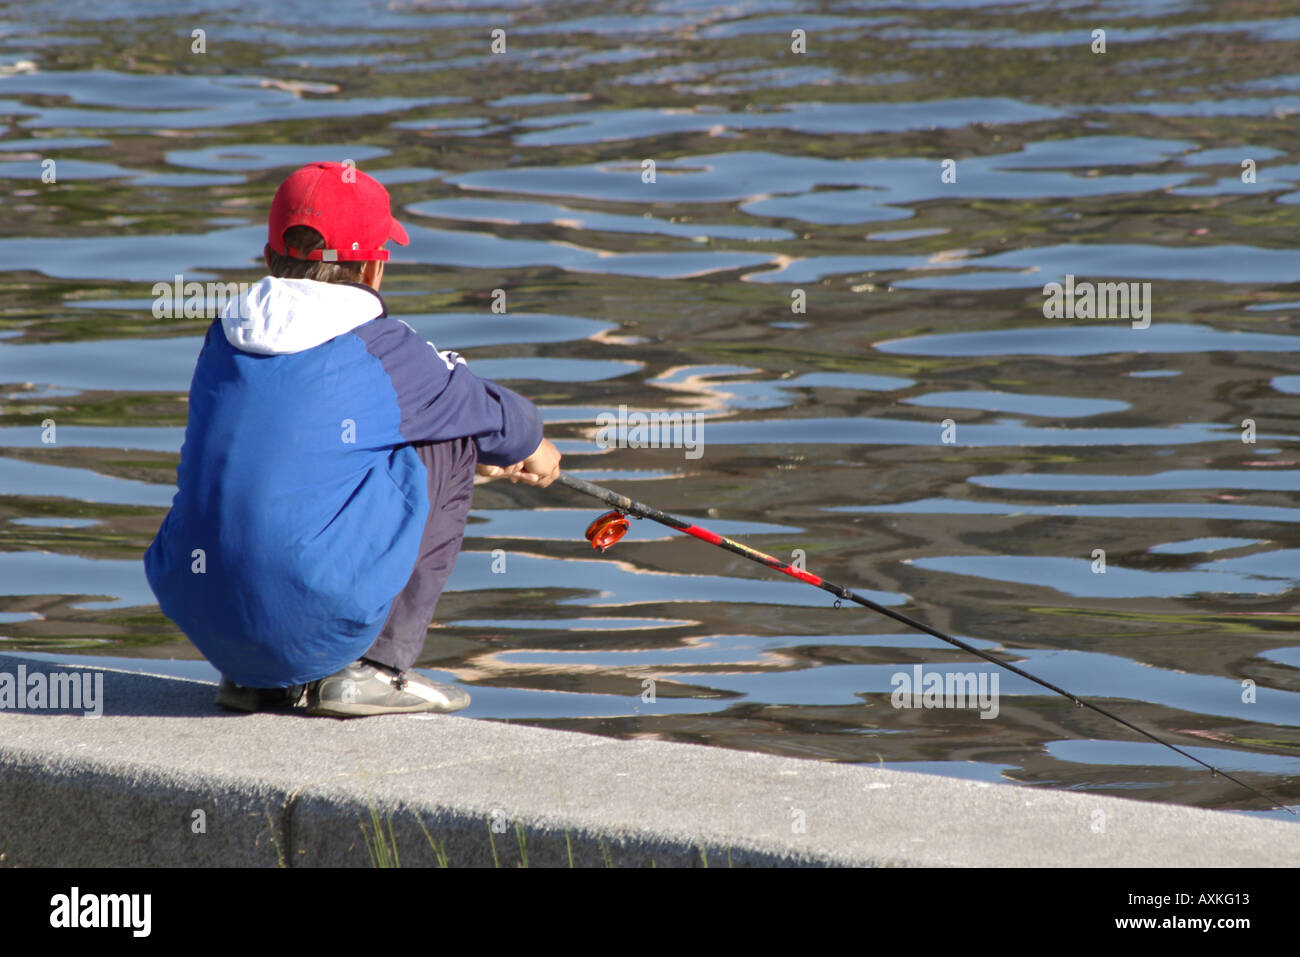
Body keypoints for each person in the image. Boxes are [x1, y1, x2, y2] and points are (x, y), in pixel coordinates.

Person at [144, 161, 560, 717]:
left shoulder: (222, 337)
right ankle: (377, 669)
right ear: (373, 270)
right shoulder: (383, 348)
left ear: (269, 258)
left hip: (199, 611)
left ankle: (257, 680)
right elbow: (501, 422)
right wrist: (538, 450)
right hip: (309, 607)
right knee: (452, 435)